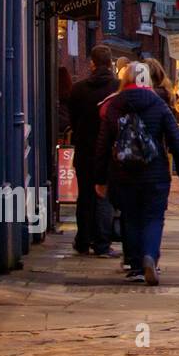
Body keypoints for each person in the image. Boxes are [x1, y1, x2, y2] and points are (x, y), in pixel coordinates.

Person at [93, 62, 179, 285]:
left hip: (123, 173)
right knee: (154, 217)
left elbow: (103, 143)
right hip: (154, 173)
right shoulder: (158, 104)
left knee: (131, 218)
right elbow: (175, 138)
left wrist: (100, 178)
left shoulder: (115, 105)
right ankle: (150, 256)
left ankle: (136, 265)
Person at [65, 45, 121, 257]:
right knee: (103, 196)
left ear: (92, 64)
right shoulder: (117, 88)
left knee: (85, 196)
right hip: (108, 151)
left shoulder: (78, 89)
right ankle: (102, 243)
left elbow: (73, 119)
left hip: (84, 150)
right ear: (110, 63)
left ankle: (82, 240)